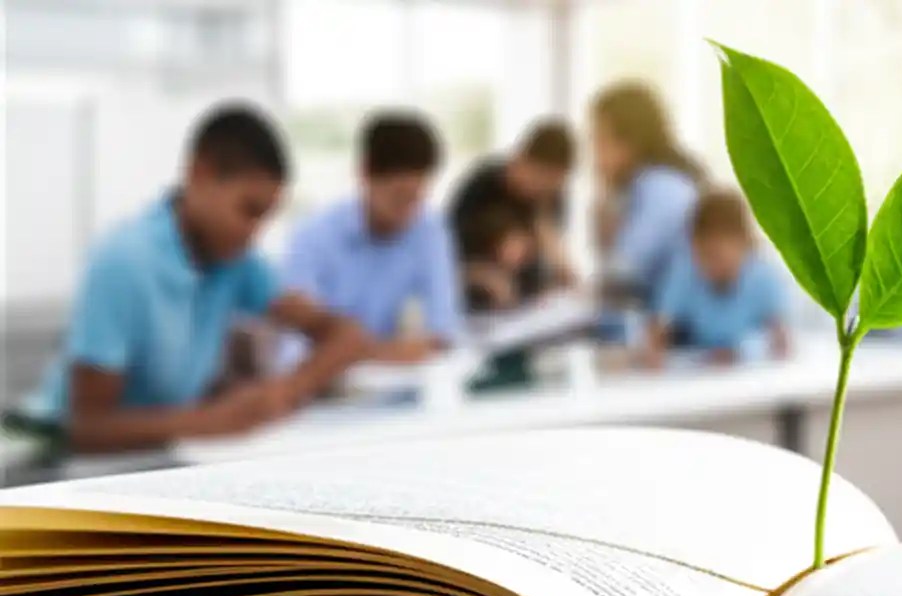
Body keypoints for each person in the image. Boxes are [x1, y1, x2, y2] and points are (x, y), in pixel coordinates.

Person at [17, 104, 368, 453]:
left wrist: (289, 389)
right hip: (57, 460)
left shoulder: (236, 261)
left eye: (266, 217)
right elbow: (87, 428)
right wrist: (212, 420)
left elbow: (346, 335)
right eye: (248, 210)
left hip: (160, 452)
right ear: (199, 174)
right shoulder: (123, 261)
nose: (254, 232)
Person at [282, 111, 463, 365]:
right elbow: (292, 348)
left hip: (398, 389)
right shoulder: (313, 237)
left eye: (418, 198)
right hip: (327, 392)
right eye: (399, 197)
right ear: (364, 173)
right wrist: (378, 352)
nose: (409, 212)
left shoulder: (428, 229)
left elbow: (444, 328)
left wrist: (425, 344)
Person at [643, 190, 789, 368]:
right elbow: (659, 326)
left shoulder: (764, 278)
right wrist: (652, 350)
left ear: (744, 243)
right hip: (703, 366)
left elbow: (783, 343)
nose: (711, 265)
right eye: (704, 255)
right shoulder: (685, 273)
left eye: (718, 255)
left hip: (751, 367)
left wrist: (744, 351)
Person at [591, 82, 701, 306]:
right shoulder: (648, 184)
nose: (593, 152)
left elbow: (622, 274)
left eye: (600, 140)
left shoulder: (663, 189)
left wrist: (605, 215)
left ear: (630, 143)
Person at [449, 120, 576, 305]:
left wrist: (561, 271)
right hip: (473, 307)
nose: (544, 191)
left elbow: (547, 265)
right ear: (521, 160)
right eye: (540, 179)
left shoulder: (552, 197)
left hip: (524, 309)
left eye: (554, 185)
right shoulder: (481, 186)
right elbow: (442, 260)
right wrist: (480, 274)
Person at [461, 205, 539, 312]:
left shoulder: (531, 270)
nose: (520, 252)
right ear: (494, 248)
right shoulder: (475, 272)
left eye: (523, 245)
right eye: (511, 245)